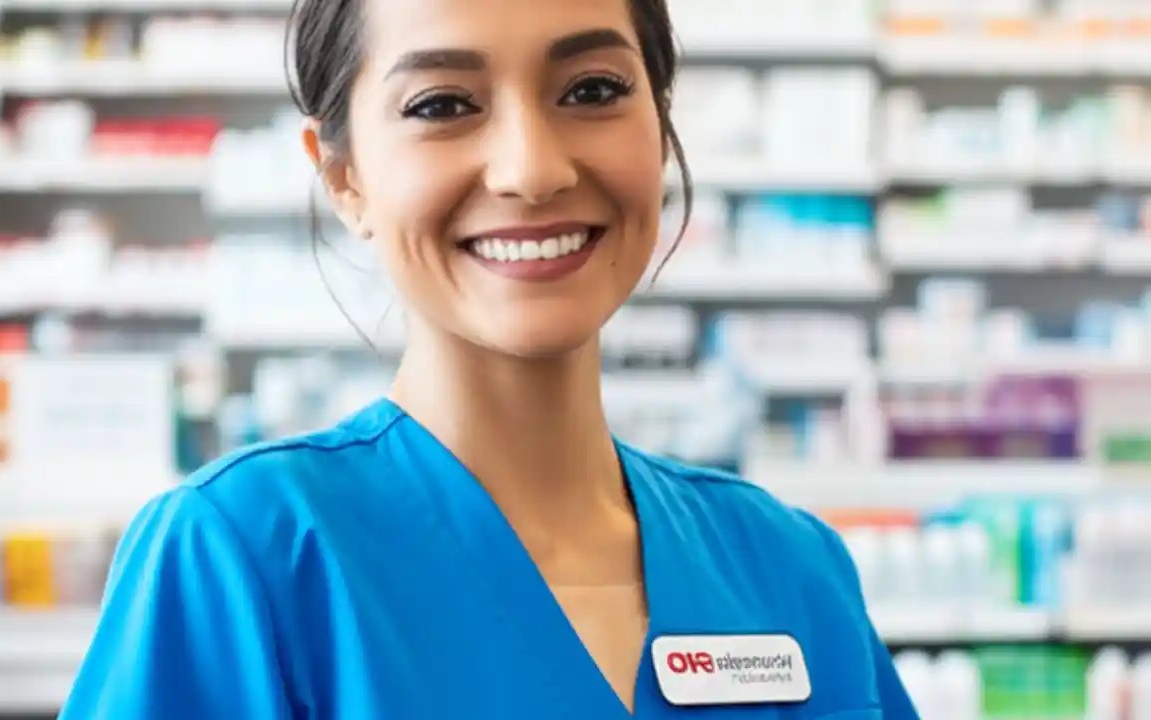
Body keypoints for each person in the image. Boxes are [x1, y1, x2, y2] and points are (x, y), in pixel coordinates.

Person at [61, 0, 918, 717]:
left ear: (660, 130)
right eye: (441, 105)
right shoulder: (241, 558)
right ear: (343, 176)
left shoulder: (787, 566)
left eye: (593, 89)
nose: (532, 170)